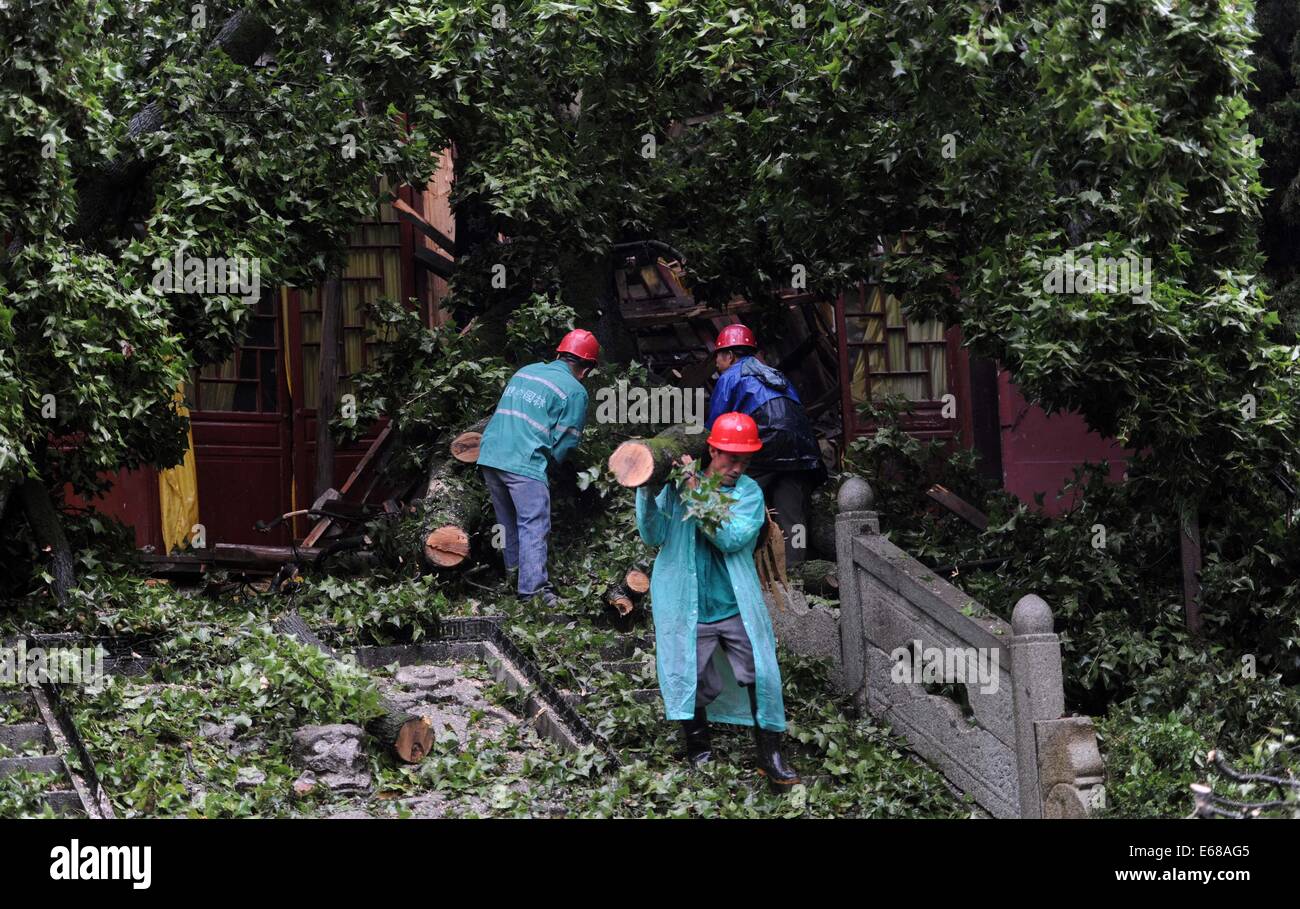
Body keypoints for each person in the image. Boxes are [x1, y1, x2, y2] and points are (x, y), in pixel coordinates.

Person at [635, 411, 799, 787]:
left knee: (761, 670)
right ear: (711, 449)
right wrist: (646, 486)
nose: (738, 467)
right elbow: (653, 534)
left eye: (745, 460)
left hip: (732, 603)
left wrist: (696, 490)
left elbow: (730, 538)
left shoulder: (749, 495)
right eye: (730, 458)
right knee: (688, 675)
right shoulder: (678, 485)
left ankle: (771, 754)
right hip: (685, 601)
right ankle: (699, 749)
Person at [477, 329, 598, 606]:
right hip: (523, 461)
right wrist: (550, 466)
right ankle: (533, 593)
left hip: (491, 454)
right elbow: (565, 442)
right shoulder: (575, 391)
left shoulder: (526, 371)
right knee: (534, 524)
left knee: (507, 523)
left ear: (559, 353)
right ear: (586, 368)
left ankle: (513, 578)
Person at [705, 323, 825, 566]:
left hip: (765, 443)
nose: (716, 363)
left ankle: (738, 562)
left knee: (735, 494)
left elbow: (715, 426)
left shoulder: (729, 377)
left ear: (730, 355)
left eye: (718, 355)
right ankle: (796, 568)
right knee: (793, 514)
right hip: (800, 447)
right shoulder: (776, 375)